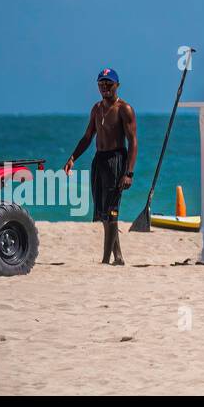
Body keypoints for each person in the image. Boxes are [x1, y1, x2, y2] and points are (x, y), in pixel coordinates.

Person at [63, 68, 138, 265]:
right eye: (101, 84)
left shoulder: (125, 109)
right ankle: (118, 257)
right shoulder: (96, 108)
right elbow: (88, 137)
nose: (105, 87)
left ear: (117, 85)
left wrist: (128, 173)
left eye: (109, 83)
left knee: (113, 211)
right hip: (100, 160)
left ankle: (106, 259)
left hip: (116, 160)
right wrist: (73, 158)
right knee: (104, 212)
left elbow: (133, 142)